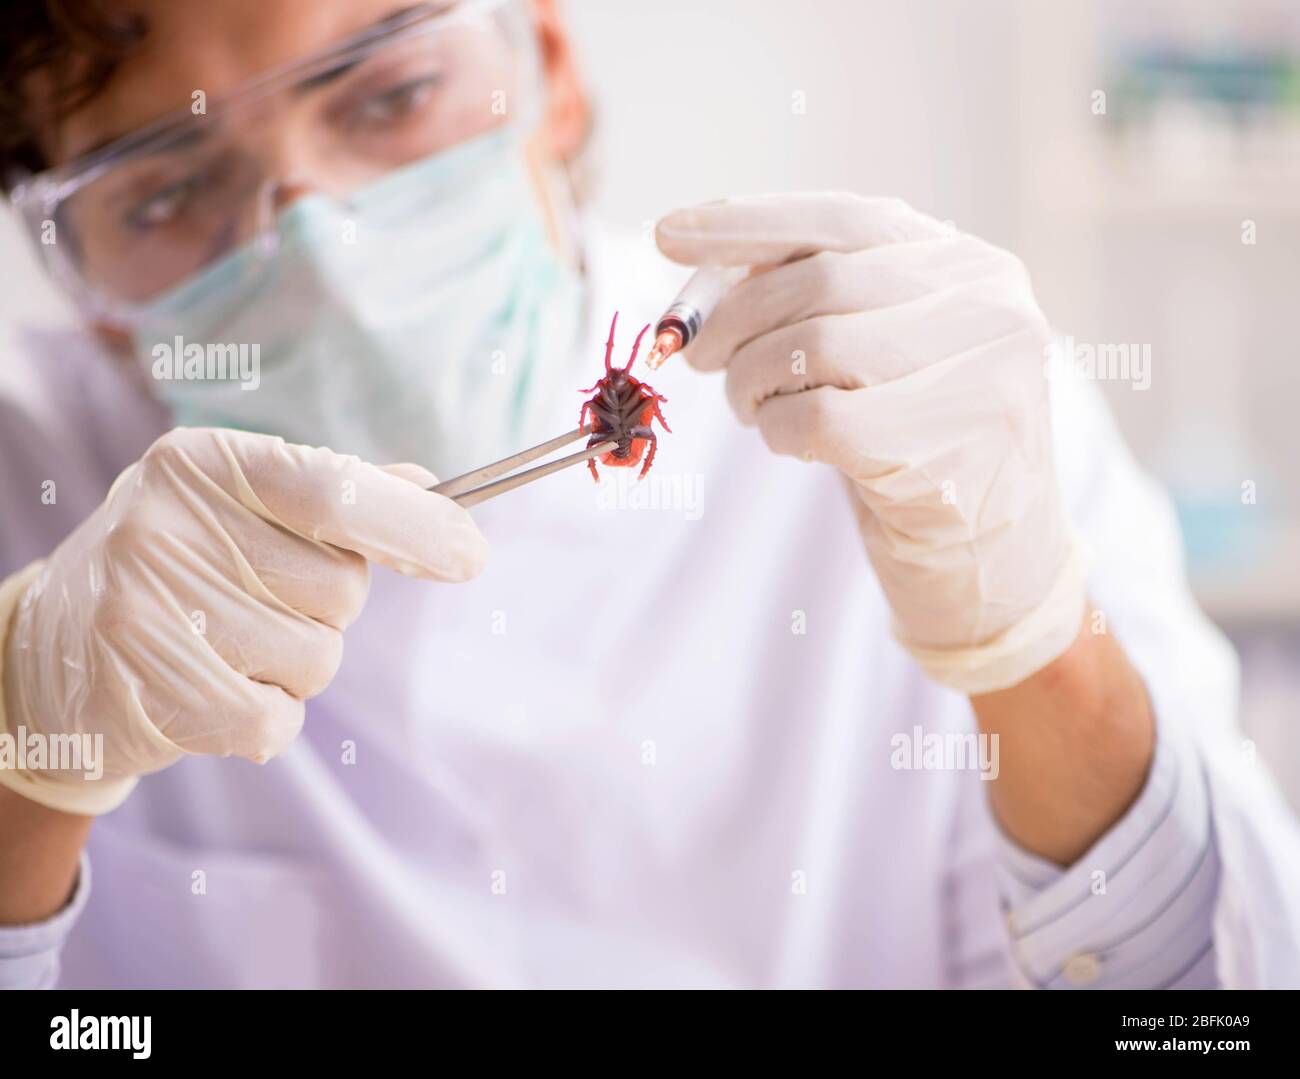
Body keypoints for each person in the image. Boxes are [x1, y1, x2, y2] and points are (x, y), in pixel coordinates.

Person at [0, 0, 1296, 990]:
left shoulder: (925, 404)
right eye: (165, 192)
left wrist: (1037, 646)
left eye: (388, 95)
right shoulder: (31, 494)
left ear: (549, 76)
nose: (320, 244)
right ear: (83, 290)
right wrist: (27, 762)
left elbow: (1206, 995)